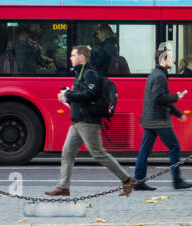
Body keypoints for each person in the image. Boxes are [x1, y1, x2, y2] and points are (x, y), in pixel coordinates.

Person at [45, 45, 135, 198]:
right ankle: (63, 187)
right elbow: (80, 95)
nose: (70, 58)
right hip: (78, 121)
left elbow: (91, 94)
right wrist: (66, 97)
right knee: (67, 152)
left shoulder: (90, 73)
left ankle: (127, 180)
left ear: (81, 57)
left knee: (98, 154)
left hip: (88, 122)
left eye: (73, 55)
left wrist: (70, 95)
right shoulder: (79, 73)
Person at [133, 48, 192, 191]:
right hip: (158, 120)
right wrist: (176, 97)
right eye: (171, 57)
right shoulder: (159, 76)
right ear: (163, 59)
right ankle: (177, 181)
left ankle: (138, 180)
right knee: (174, 147)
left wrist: (178, 114)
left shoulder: (156, 74)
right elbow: (159, 99)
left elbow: (161, 99)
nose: (173, 60)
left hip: (150, 119)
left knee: (144, 150)